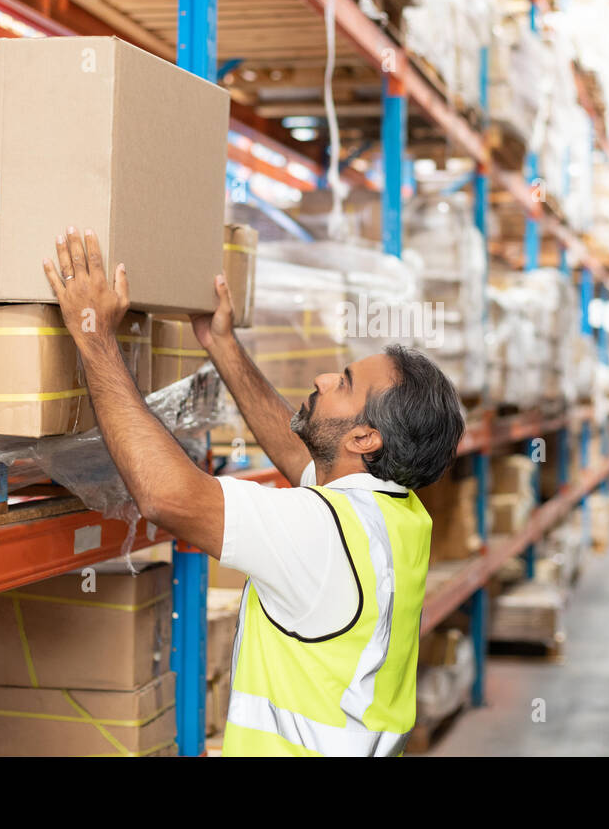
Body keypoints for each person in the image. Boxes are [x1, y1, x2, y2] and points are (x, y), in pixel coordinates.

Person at [43, 227, 466, 756]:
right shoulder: (396, 515)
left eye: (345, 383)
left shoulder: (320, 531)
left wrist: (95, 338)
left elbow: (167, 497)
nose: (323, 377)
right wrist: (221, 344)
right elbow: (299, 456)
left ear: (365, 437)